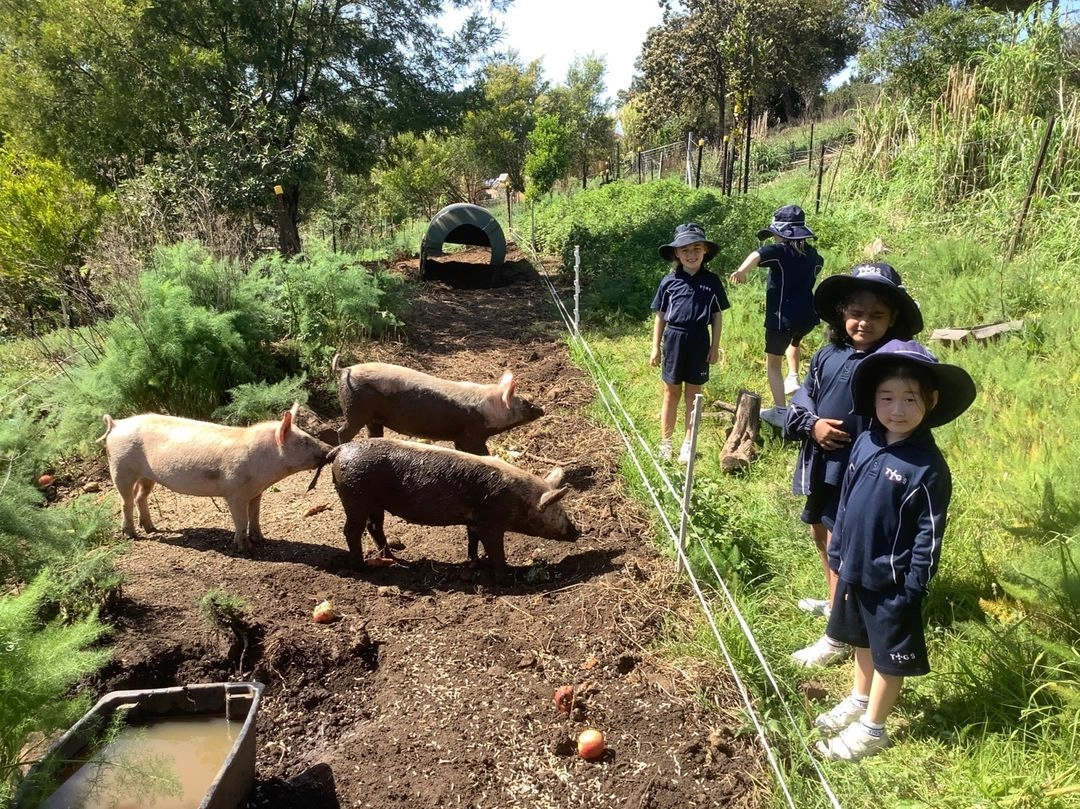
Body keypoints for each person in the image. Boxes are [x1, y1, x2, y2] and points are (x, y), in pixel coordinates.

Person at [813, 339, 976, 761]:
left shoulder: (927, 467)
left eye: (909, 399)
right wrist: (838, 549)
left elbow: (929, 531)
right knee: (861, 639)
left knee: (888, 655)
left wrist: (915, 583)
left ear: (931, 401)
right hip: (855, 567)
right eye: (887, 398)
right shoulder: (866, 441)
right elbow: (847, 500)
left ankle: (873, 729)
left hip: (893, 581)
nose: (897, 410)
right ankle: (859, 698)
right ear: (873, 399)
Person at [786, 263, 923, 668]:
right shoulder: (829, 354)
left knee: (845, 546)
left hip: (861, 471)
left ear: (893, 318)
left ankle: (838, 636)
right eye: (856, 312)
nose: (864, 322)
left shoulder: (891, 362)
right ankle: (836, 603)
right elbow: (805, 395)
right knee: (821, 532)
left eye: (876, 315)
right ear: (842, 313)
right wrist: (812, 424)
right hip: (823, 461)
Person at [728, 205, 822, 429]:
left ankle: (780, 411)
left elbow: (758, 254)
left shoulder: (781, 251)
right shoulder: (813, 255)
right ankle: (793, 377)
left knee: (773, 363)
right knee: (794, 341)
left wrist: (742, 271)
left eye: (775, 235)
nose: (774, 238)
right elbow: (818, 267)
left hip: (782, 318)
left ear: (782, 234)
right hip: (807, 316)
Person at [651, 223, 730, 463]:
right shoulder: (669, 282)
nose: (691, 254)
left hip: (699, 339)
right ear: (677, 253)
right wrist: (655, 347)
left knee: (693, 395)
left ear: (705, 250)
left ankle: (688, 443)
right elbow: (660, 316)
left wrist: (714, 346)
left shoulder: (712, 282)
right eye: (685, 250)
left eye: (696, 248)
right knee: (671, 392)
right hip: (674, 339)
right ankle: (666, 443)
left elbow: (717, 316)